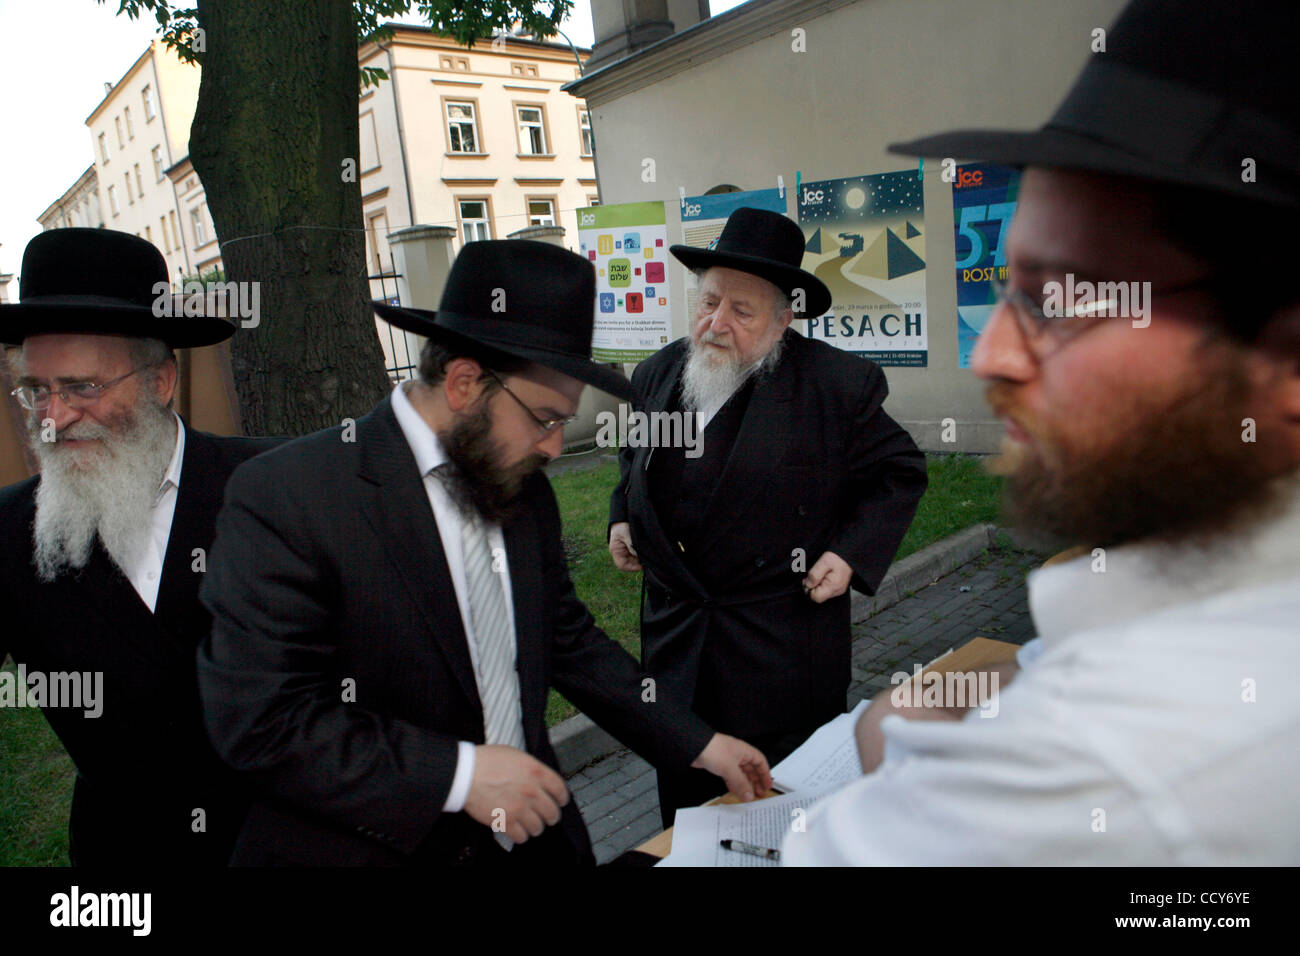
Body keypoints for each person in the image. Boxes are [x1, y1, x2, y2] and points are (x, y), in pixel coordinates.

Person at [786, 0, 1300, 864]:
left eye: (1059, 299)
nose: (993, 355)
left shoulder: (1101, 761)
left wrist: (898, 745)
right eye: (1008, 292)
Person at [197, 239, 772, 866]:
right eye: (545, 419)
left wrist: (698, 742)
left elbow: (566, 640)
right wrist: (460, 775)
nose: (554, 448)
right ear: (465, 383)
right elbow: (264, 719)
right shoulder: (289, 496)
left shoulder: (519, 487)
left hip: (530, 843)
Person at [608, 207, 929, 825]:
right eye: (708, 302)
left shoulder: (837, 387)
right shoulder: (657, 373)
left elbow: (899, 474)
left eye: (742, 311)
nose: (715, 324)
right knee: (687, 813)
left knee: (778, 814)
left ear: (785, 320)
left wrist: (849, 552)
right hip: (677, 649)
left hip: (778, 654)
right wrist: (625, 513)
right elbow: (633, 455)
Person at [0, 228, 278, 865]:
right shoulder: (9, 535)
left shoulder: (274, 491)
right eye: (35, 391)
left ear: (160, 382)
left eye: (82, 387)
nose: (53, 417)